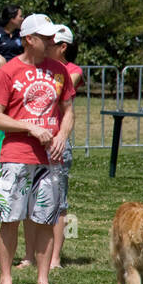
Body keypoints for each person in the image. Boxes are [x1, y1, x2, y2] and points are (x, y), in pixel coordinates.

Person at [0, 12, 76, 284]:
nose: (53, 41)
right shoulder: (8, 71)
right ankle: (5, 281)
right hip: (16, 156)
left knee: (45, 220)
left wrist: (62, 135)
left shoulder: (59, 70)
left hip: (50, 159)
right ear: (29, 40)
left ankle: (42, 281)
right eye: (46, 37)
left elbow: (68, 110)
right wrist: (28, 127)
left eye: (54, 36)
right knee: (10, 218)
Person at [49, 24, 83, 268]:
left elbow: (56, 91)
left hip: (58, 139)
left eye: (51, 42)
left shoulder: (73, 71)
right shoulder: (42, 68)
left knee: (59, 200)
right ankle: (31, 255)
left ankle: (55, 258)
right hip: (37, 138)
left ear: (63, 47)